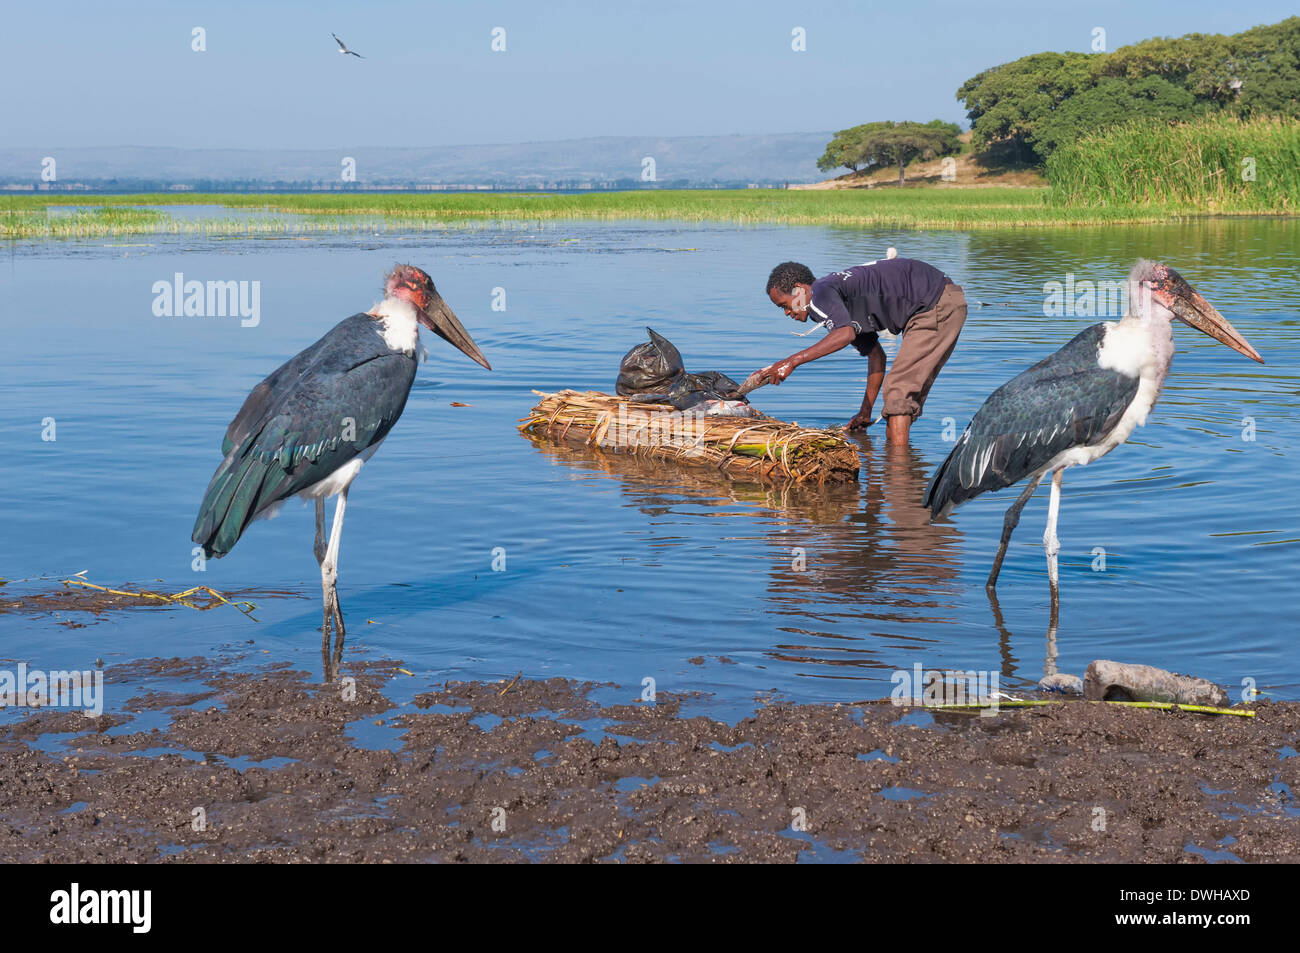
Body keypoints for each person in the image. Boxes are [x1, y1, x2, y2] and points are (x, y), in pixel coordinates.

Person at [757, 257, 967, 444]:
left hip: (935, 302)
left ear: (799, 290)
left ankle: (899, 474)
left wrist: (791, 362)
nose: (786, 313)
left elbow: (844, 335)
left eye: (784, 305)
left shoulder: (820, 293)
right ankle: (897, 470)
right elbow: (877, 357)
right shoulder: (840, 306)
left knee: (898, 391)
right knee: (898, 400)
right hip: (934, 303)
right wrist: (865, 412)